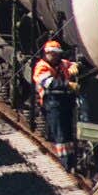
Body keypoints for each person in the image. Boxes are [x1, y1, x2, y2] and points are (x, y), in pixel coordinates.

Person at [33, 40, 80, 170]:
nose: (54, 56)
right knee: (60, 134)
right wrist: (68, 84)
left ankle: (71, 161)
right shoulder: (41, 67)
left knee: (68, 132)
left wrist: (76, 66)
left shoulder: (61, 63)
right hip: (52, 103)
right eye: (51, 54)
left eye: (56, 54)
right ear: (46, 54)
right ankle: (65, 163)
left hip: (65, 102)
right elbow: (49, 83)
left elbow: (73, 64)